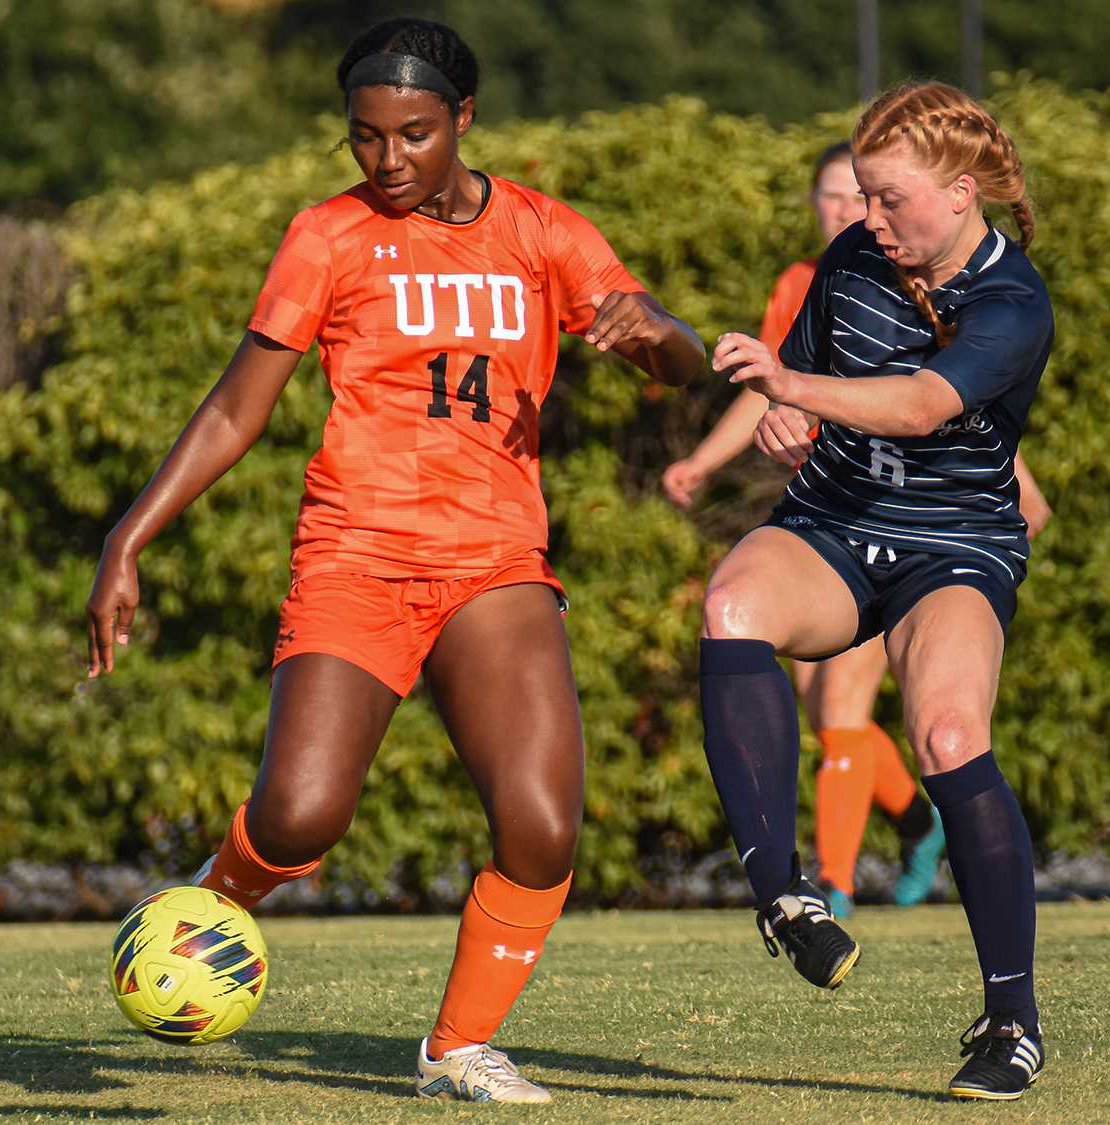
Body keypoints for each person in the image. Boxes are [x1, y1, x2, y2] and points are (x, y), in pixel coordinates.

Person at [84, 17, 703, 1104]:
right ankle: (207, 907)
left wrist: (654, 330)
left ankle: (455, 1047)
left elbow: (680, 361)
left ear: (462, 119)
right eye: (364, 139)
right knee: (298, 817)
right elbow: (237, 408)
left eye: (413, 134)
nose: (388, 161)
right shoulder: (326, 236)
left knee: (542, 825)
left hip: (494, 564)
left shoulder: (543, 233)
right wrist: (127, 536)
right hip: (356, 556)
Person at [696, 82, 1054, 1100]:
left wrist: (789, 388)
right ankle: (783, 898)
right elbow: (804, 389)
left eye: (887, 198)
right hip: (833, 523)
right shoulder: (852, 259)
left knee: (945, 736)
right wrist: (784, 419)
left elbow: (916, 403)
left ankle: (1010, 1022)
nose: (867, 218)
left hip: (953, 545)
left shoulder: (1011, 300)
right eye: (859, 196)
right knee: (730, 604)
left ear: (955, 191)